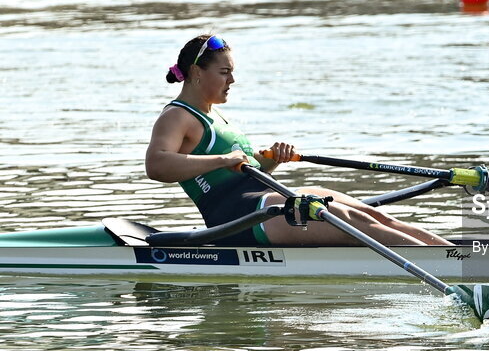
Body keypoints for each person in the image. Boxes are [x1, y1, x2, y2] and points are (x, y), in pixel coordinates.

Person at [145, 34, 452, 247]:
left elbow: (244, 170)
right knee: (345, 219)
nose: (232, 81)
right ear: (197, 72)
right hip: (236, 217)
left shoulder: (216, 116)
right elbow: (157, 164)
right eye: (224, 72)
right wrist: (225, 159)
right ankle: (452, 270)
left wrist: (270, 159)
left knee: (371, 214)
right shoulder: (177, 116)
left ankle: (458, 256)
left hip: (260, 198)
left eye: (232, 72)